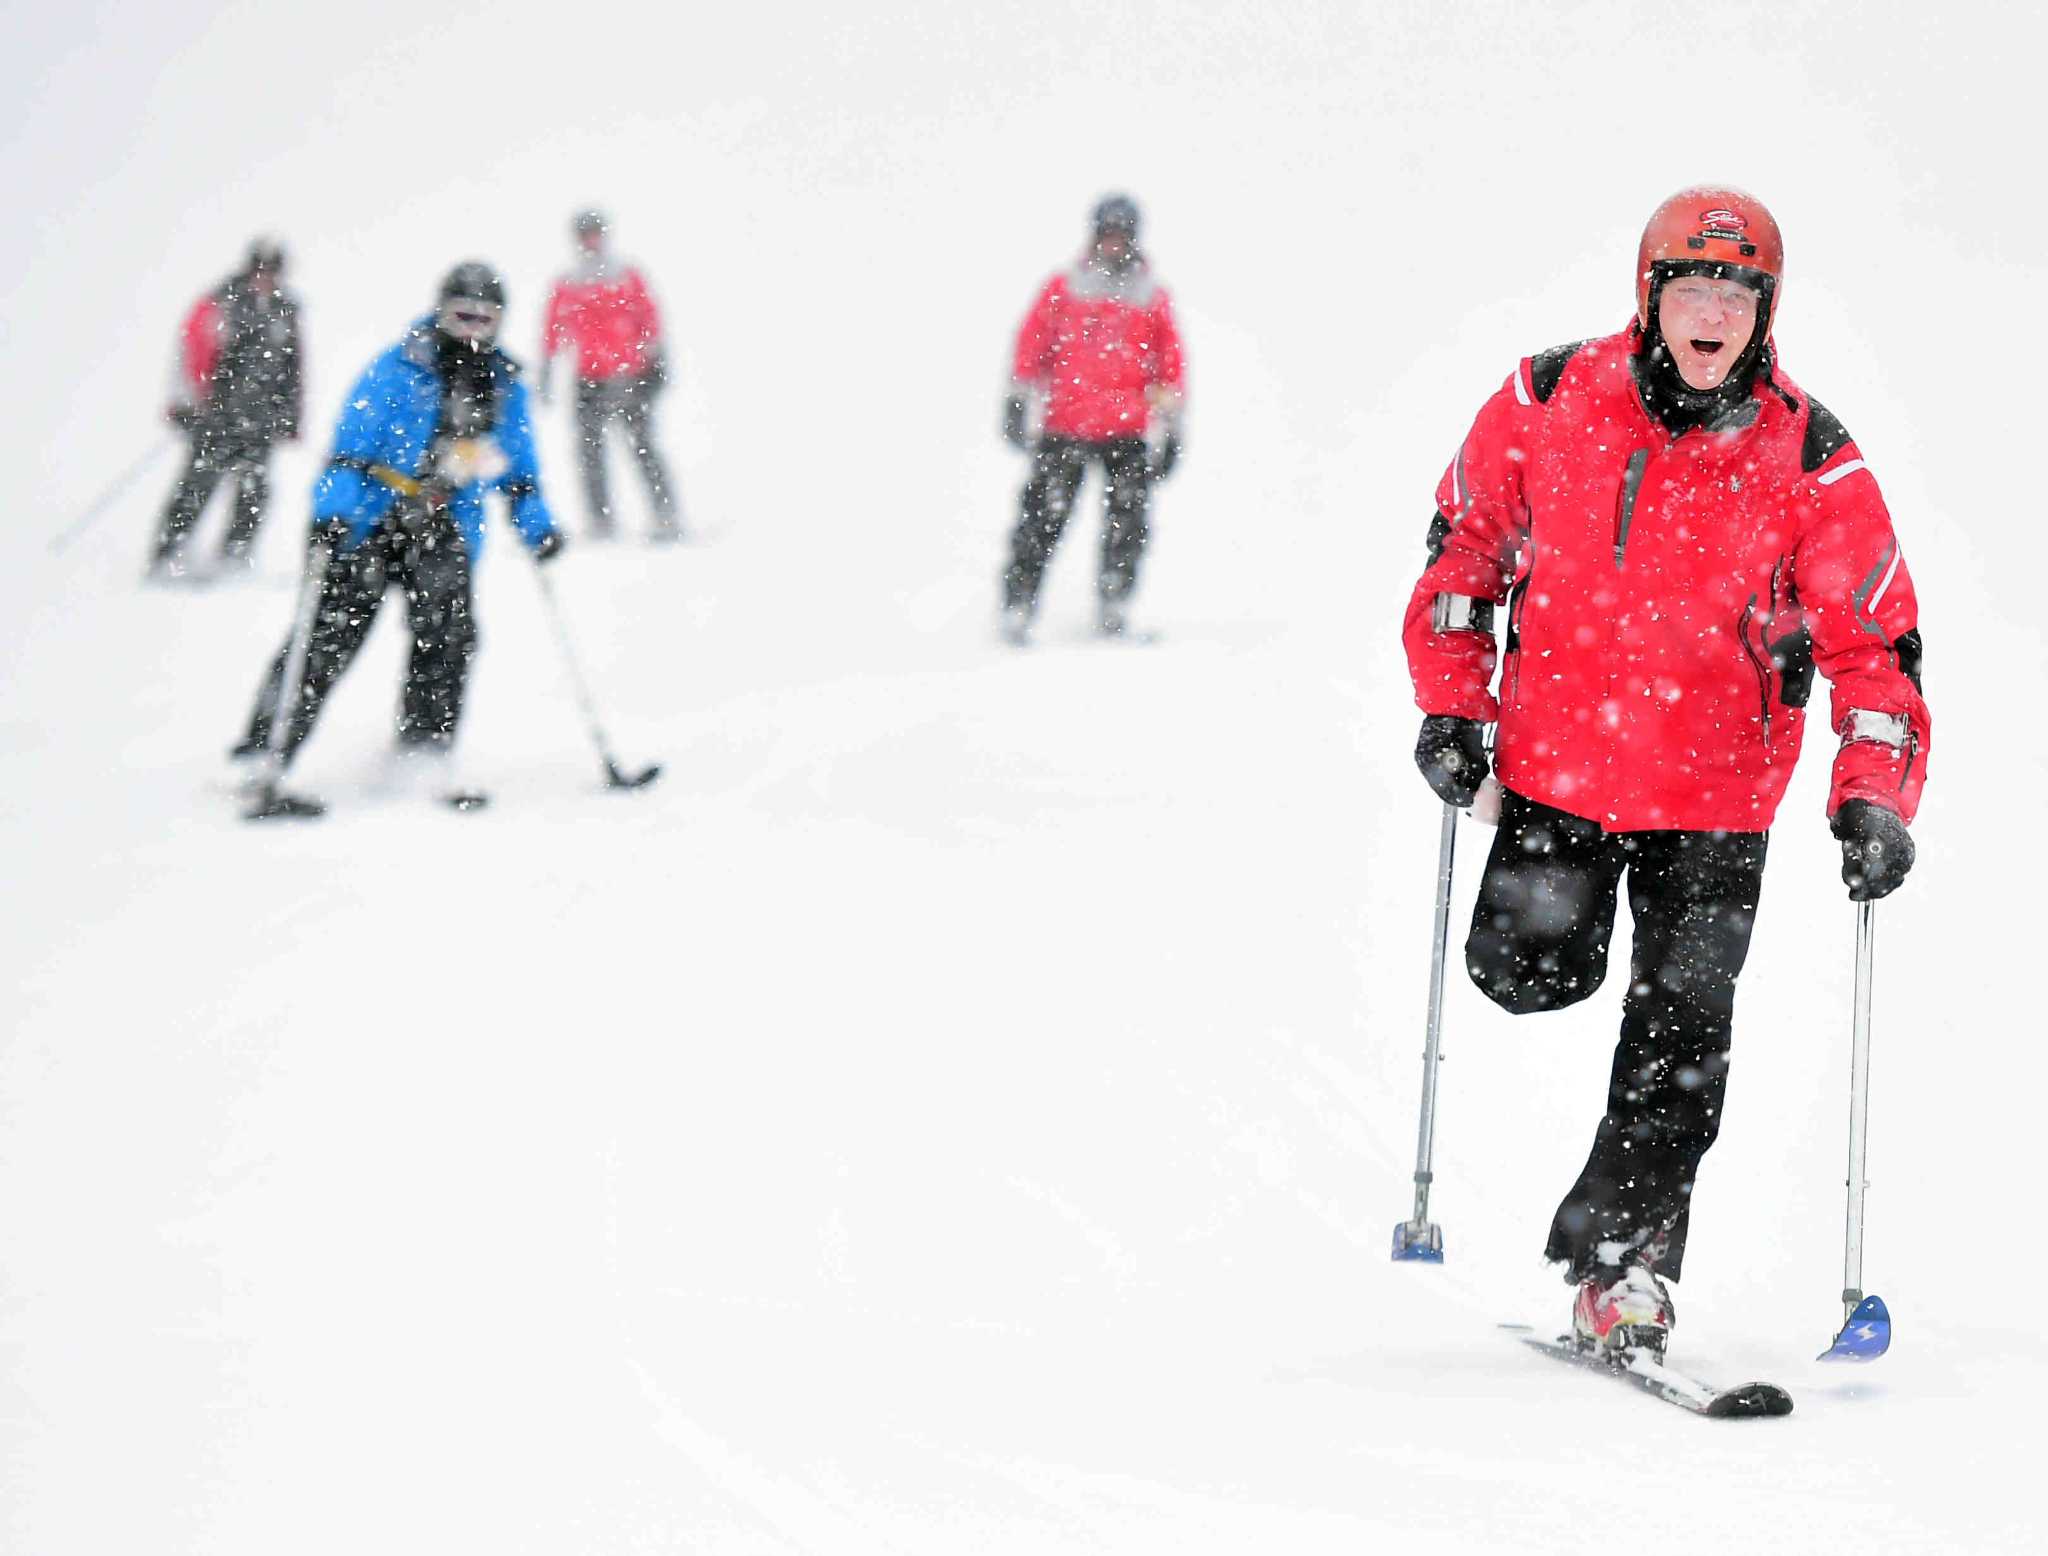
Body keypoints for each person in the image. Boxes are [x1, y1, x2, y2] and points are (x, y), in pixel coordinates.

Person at [1400, 187, 1931, 1357]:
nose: (1711, 311)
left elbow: (1874, 647)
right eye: (1689, 287)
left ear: (1765, 312)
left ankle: (1621, 1264)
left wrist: (1870, 799)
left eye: (1736, 293)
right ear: (1647, 297)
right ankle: (1598, 1171)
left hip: (1713, 796)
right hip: (1559, 767)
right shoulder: (1546, 398)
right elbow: (1463, 550)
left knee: (1680, 1037)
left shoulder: (1811, 455)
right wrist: (1452, 703)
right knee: (1521, 970)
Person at [231, 262, 563, 806]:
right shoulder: (399, 367)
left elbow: (519, 471)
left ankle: (424, 754)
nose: (473, 329)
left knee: (448, 639)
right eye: (462, 316)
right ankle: (265, 750)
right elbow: (349, 446)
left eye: (486, 318)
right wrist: (331, 511)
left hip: (446, 525)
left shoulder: (504, 384)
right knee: (328, 635)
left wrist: (537, 526)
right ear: (441, 310)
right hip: (372, 519)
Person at [999, 193, 1185, 643]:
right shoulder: (1065, 288)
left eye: (1122, 235)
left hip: (1128, 431)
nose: (1114, 244)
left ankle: (1114, 603)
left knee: (1128, 523)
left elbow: (1169, 364)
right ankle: (1019, 605)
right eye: (1107, 234)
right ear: (1095, 235)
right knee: (1042, 518)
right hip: (1065, 426)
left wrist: (1172, 424)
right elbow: (1033, 342)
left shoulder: (1150, 298)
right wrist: (1019, 397)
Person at [149, 237, 303, 576]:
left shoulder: (285, 311)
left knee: (254, 491)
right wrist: (184, 406)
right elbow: (192, 353)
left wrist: (291, 415)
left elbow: (293, 368)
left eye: (272, 270)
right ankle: (167, 552)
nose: (265, 276)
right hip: (217, 418)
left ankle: (235, 555)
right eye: (260, 269)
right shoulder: (223, 302)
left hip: (261, 420)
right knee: (197, 487)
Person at [538, 209, 680, 541]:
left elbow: (649, 316)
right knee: (590, 450)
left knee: (643, 446)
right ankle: (600, 517)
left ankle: (665, 513)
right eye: (584, 234)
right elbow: (553, 329)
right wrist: (546, 367)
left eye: (595, 233)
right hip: (589, 379)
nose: (590, 240)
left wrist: (656, 354)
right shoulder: (568, 283)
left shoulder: (626, 275)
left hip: (632, 375)